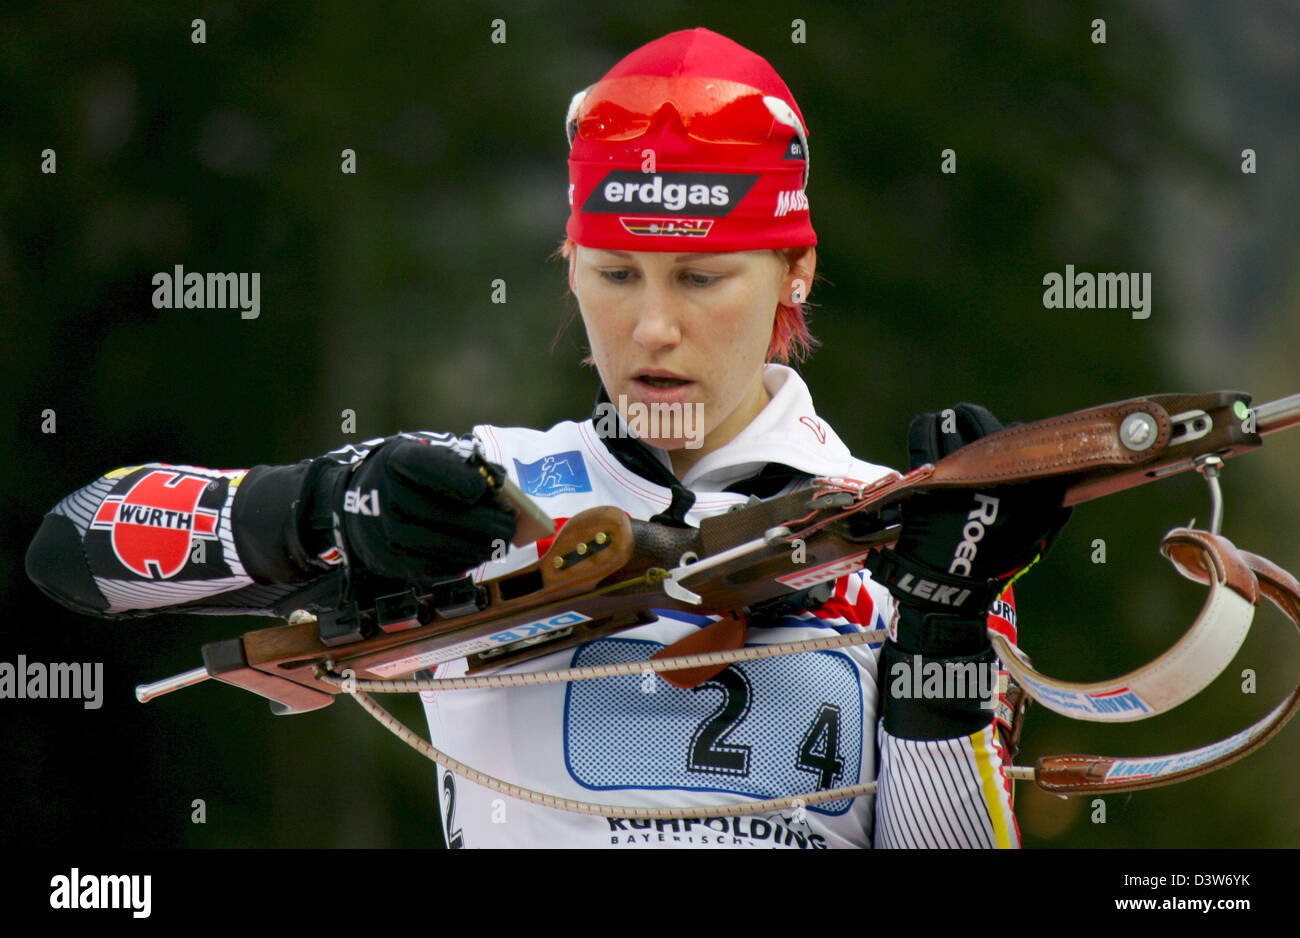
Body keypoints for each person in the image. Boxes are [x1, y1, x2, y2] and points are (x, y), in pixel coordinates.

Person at [26, 27, 1068, 849]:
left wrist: (944, 629)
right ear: (569, 263)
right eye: (615, 273)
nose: (651, 327)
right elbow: (75, 544)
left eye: (701, 277)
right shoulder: (479, 483)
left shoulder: (915, 530)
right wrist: (324, 508)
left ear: (793, 272)